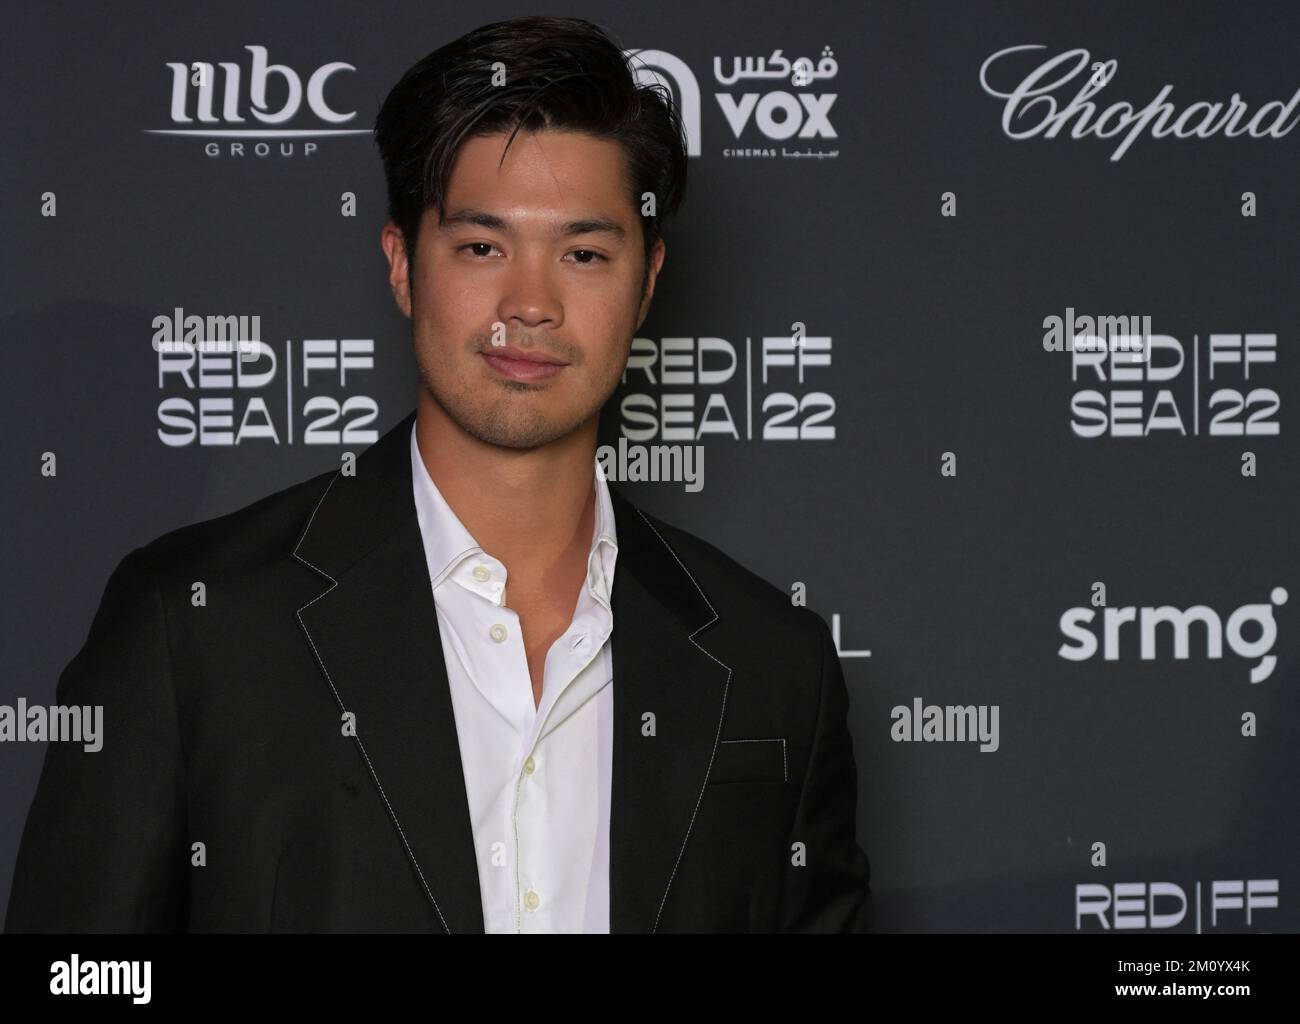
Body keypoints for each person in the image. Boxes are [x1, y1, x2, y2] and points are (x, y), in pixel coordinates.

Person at [5, 15, 872, 933]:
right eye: (481, 247)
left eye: (583, 253)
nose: (530, 305)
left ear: (647, 280)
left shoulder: (774, 663)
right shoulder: (193, 628)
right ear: (402, 267)